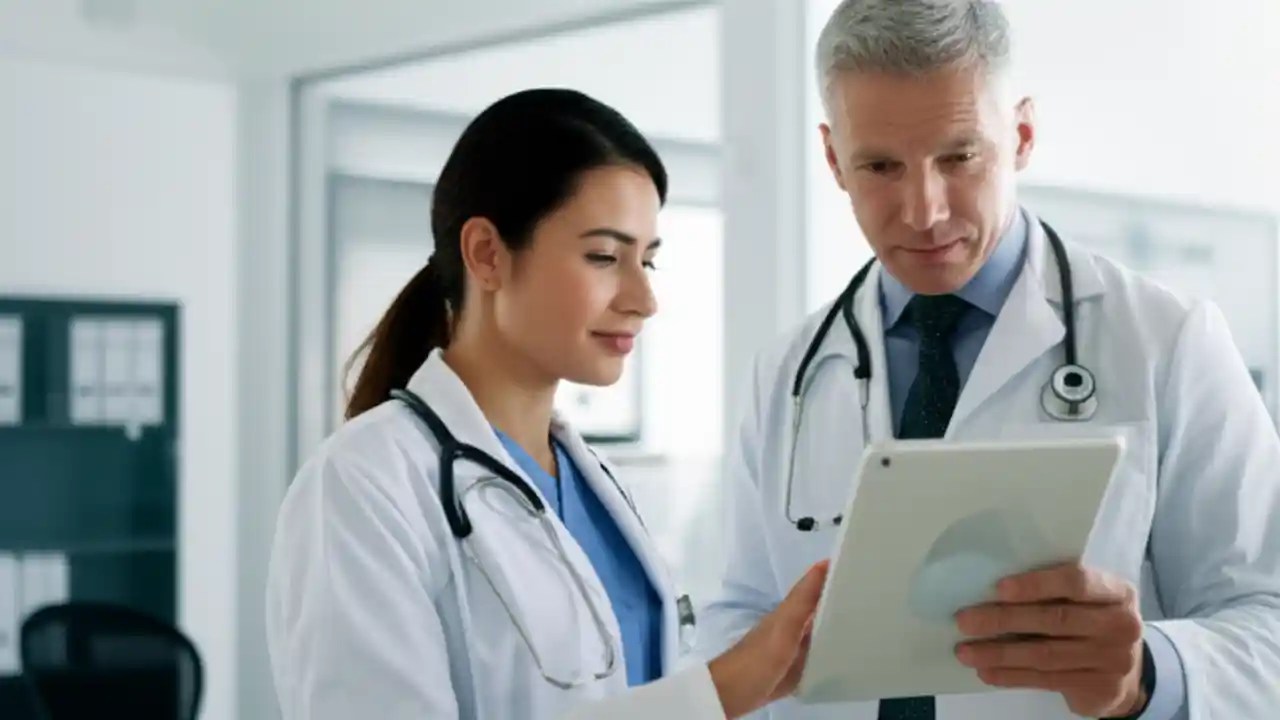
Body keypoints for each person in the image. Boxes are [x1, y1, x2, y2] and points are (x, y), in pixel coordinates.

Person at [697, 1, 1280, 719]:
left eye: (959, 156)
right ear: (832, 159)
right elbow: (741, 617)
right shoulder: (789, 371)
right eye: (880, 166)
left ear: (1023, 134)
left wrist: (1148, 674)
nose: (923, 210)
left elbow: (1267, 619)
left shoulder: (1167, 342)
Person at [264, 88, 827, 720]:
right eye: (604, 257)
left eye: (647, 260)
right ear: (487, 254)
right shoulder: (363, 485)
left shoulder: (594, 486)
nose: (644, 297)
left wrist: (764, 673)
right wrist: (718, 692)